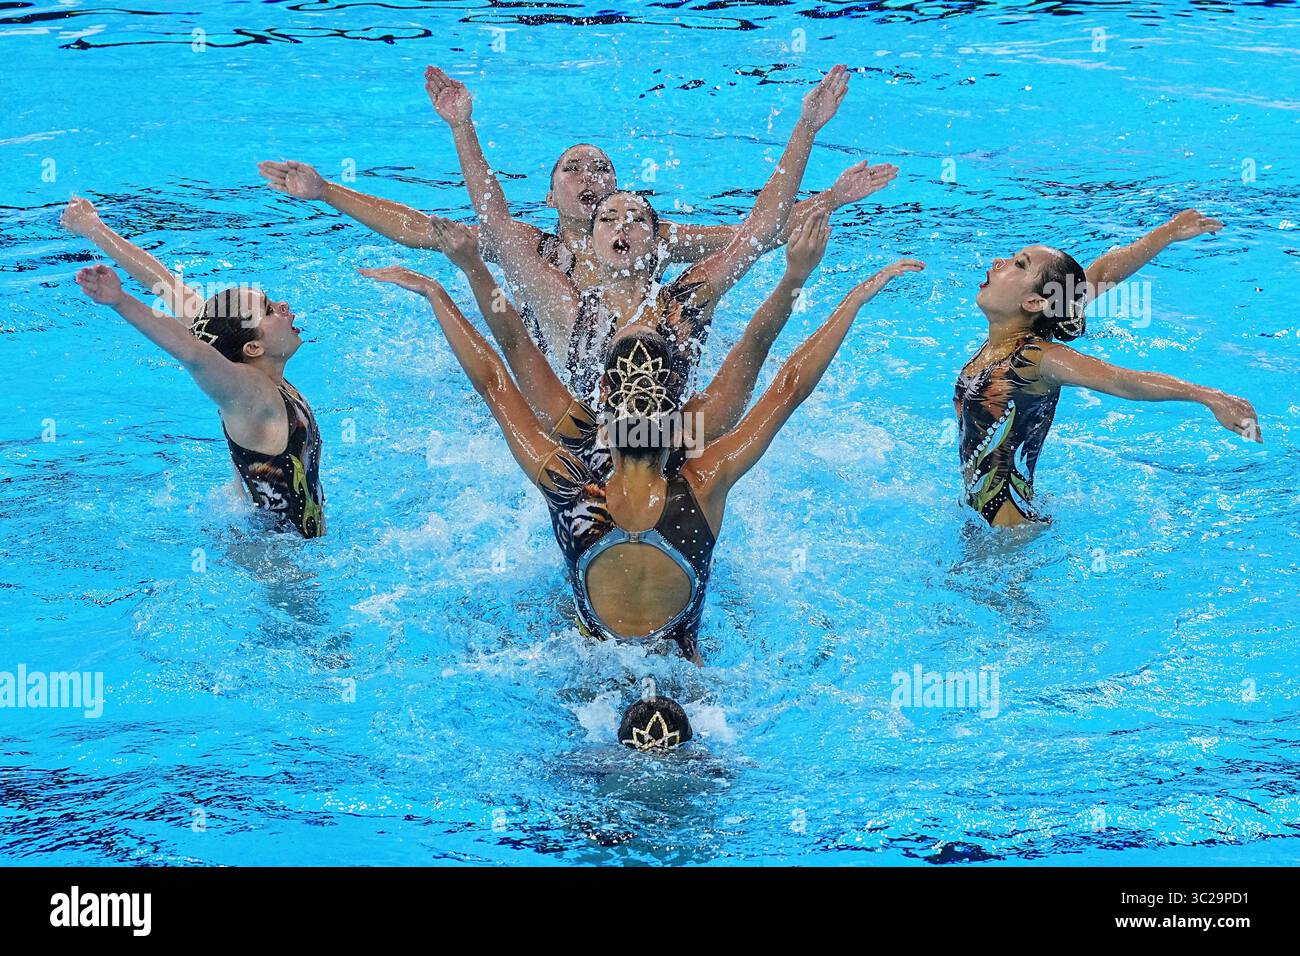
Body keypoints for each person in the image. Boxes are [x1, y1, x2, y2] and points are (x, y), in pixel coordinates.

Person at [357, 242, 924, 663]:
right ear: (604, 395)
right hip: (584, 670)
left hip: (686, 675)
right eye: (624, 379)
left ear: (674, 405)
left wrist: (830, 289)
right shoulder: (568, 472)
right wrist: (445, 287)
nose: (635, 394)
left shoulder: (703, 475)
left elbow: (786, 381)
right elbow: (497, 375)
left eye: (650, 382)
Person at [423, 63, 868, 395]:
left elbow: (758, 230)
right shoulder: (566, 305)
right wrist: (462, 126)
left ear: (657, 242)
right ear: (590, 241)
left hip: (676, 448)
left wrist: (806, 127)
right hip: (588, 449)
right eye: (608, 218)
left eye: (636, 218)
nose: (622, 225)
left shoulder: (686, 297)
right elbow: (496, 226)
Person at [957, 210, 1260, 527]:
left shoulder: (1037, 359)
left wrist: (1208, 396)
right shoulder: (1000, 343)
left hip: (1009, 538)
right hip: (982, 522)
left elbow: (1122, 381)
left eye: (1019, 264)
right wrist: (1168, 231)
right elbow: (1101, 272)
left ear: (1033, 302)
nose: (998, 262)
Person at [60, 197, 326, 537]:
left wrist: (93, 228)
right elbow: (194, 353)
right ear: (253, 347)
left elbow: (166, 286)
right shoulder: (254, 395)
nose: (284, 306)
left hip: (262, 533)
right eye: (270, 311)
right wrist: (120, 301)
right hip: (279, 563)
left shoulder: (237, 359)